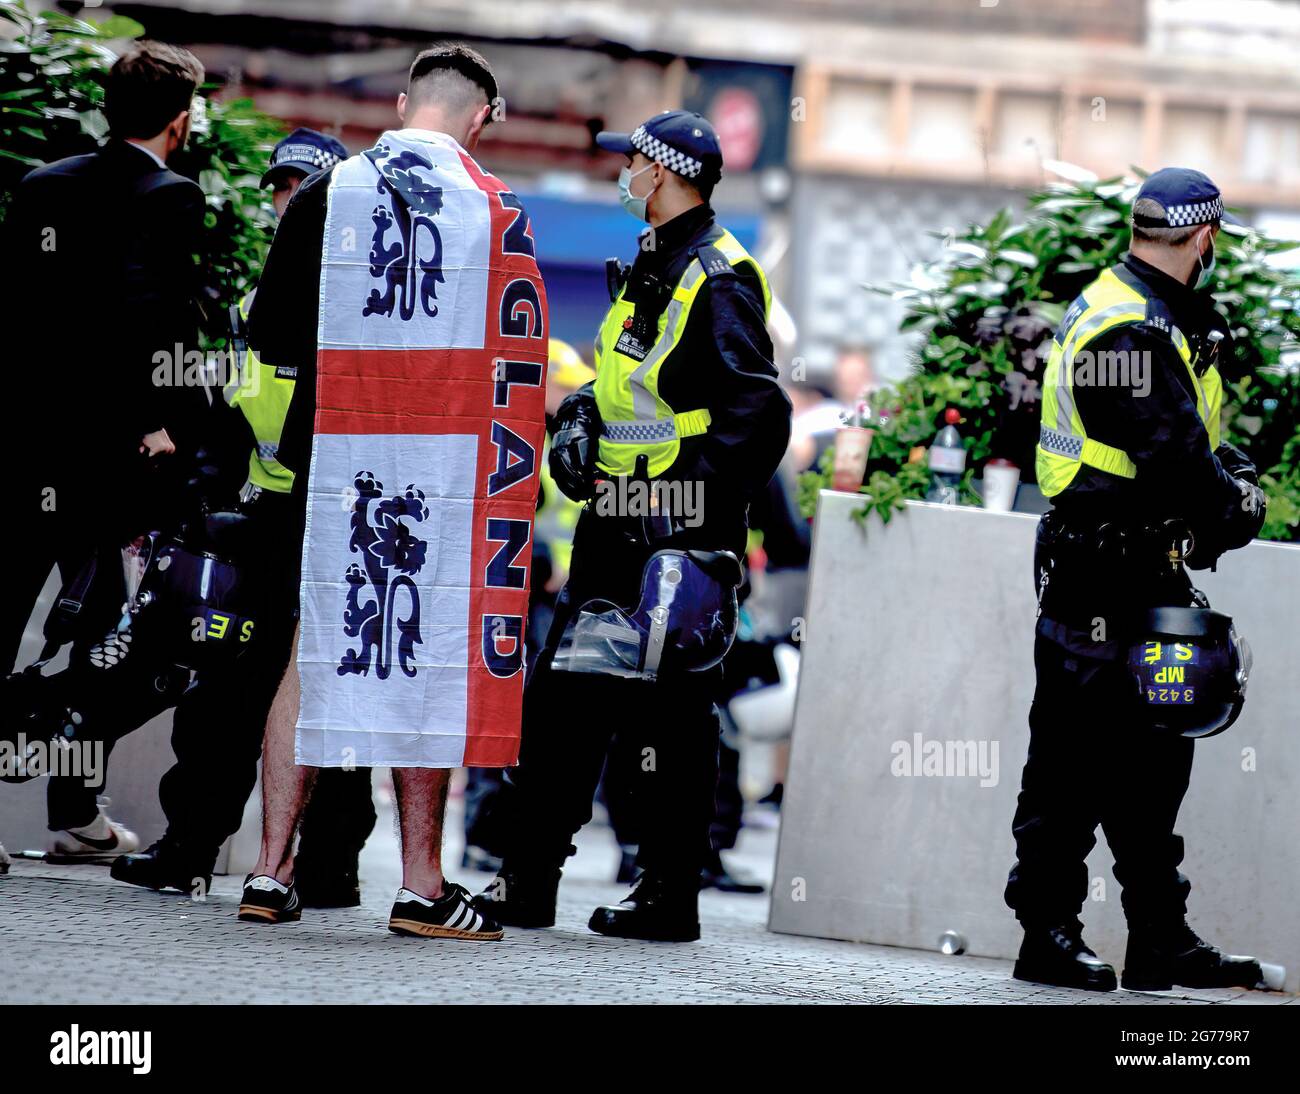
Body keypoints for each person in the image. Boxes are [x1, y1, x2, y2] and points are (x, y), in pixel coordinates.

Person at [237, 44, 548, 940]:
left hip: (331, 465)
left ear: (405, 101)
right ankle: (420, 884)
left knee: (311, 645)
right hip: (446, 476)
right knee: (429, 650)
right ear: (480, 119)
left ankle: (267, 873)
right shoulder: (499, 213)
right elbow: (515, 368)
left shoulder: (329, 191)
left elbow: (270, 333)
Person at [474, 110, 791, 941]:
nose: (626, 173)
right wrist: (583, 411)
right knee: (567, 708)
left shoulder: (718, 275)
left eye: (635, 162)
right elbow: (638, 393)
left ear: (668, 171)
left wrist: (680, 512)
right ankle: (530, 880)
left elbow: (757, 416)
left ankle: (667, 896)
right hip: (616, 525)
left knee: (672, 724)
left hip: (672, 539)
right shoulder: (656, 263)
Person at [1006, 167, 1266, 992]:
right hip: (1099, 578)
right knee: (1072, 764)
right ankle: (1047, 935)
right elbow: (1176, 464)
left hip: (1140, 573)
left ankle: (1160, 939)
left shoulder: (1138, 310)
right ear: (1205, 237)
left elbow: (1181, 439)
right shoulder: (1129, 333)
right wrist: (1239, 506)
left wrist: (1223, 472)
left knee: (1154, 763)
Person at [110, 129, 377, 906]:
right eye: (279, 188)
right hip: (261, 523)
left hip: (329, 524)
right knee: (223, 694)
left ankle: (330, 866)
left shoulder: (359, 302)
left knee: (332, 698)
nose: (284, 201)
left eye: (302, 189)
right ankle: (188, 846)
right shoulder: (257, 301)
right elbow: (228, 407)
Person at [0, 41, 208, 853]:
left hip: (23, 449)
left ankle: (74, 816)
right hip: (112, 461)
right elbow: (154, 320)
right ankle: (72, 812)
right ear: (179, 122)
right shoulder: (170, 195)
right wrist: (163, 423)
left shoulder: (42, 185)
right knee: (104, 639)